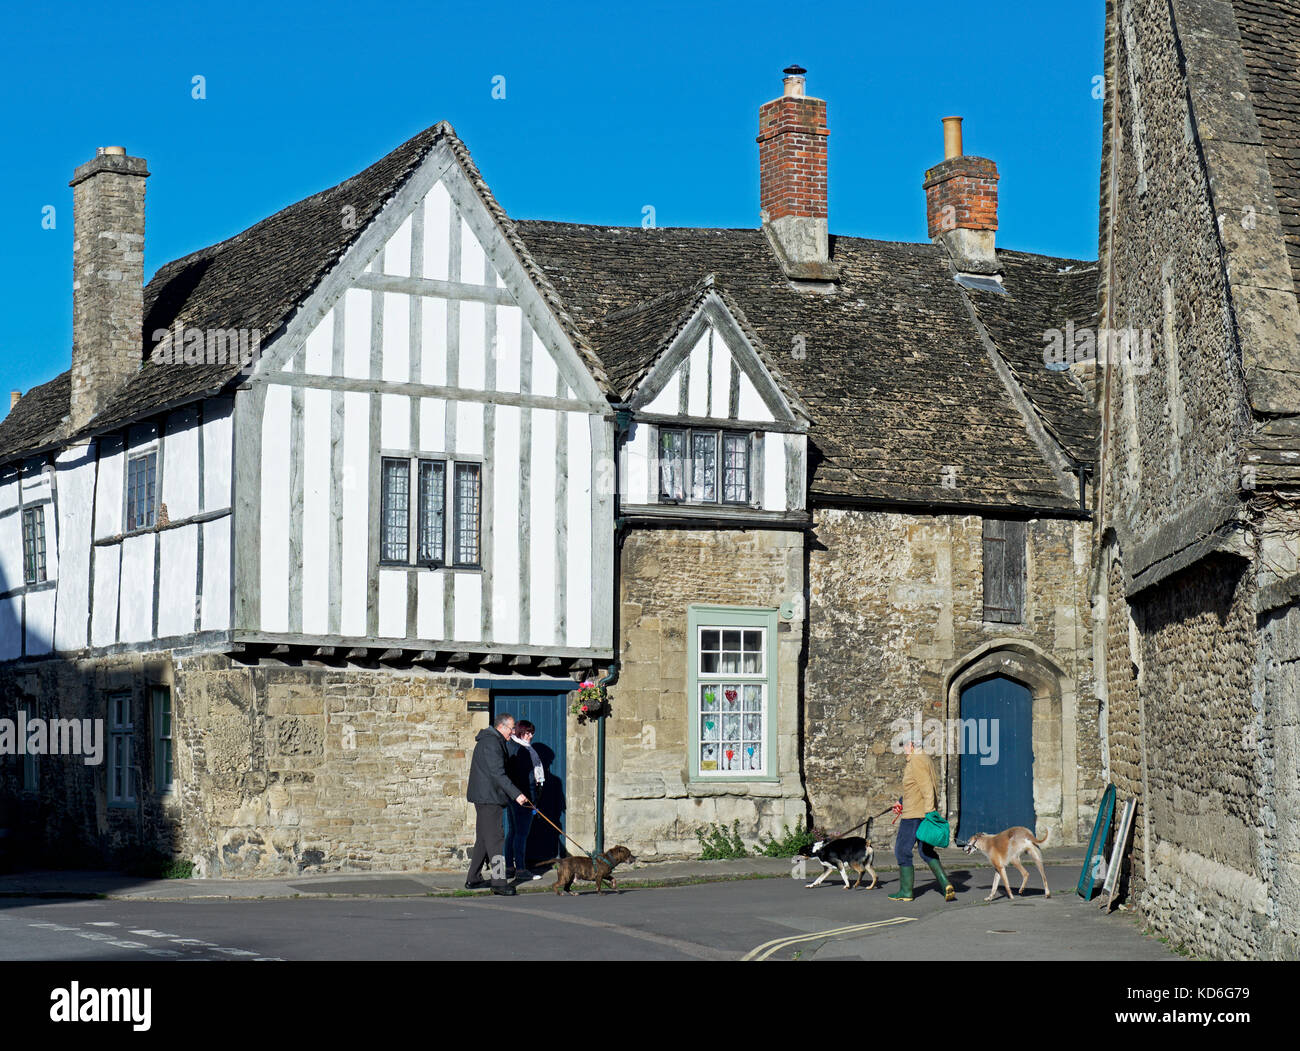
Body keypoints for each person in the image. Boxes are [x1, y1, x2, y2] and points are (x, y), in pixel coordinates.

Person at [887, 730, 956, 902]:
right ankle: (945, 883)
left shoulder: (916, 760)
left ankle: (906, 891)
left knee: (902, 851)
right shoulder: (925, 758)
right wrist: (901, 801)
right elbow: (917, 787)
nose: (904, 749)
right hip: (919, 811)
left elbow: (926, 787)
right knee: (926, 851)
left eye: (904, 745)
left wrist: (929, 811)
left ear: (911, 745)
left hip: (914, 815)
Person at [466, 712, 529, 896]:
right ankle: (499, 882)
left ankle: (473, 878)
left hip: (486, 797)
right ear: (501, 727)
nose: (513, 732)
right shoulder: (491, 743)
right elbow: (497, 773)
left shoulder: (492, 741)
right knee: (496, 840)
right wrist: (516, 794)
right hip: (489, 798)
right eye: (511, 729)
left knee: (484, 840)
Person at [504, 720, 545, 880]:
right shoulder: (522, 750)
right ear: (519, 732)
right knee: (521, 833)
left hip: (513, 796)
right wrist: (532, 800)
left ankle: (509, 867)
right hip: (523, 797)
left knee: (513, 832)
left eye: (532, 732)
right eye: (527, 732)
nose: (530, 736)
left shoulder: (514, 747)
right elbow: (527, 779)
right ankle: (520, 870)